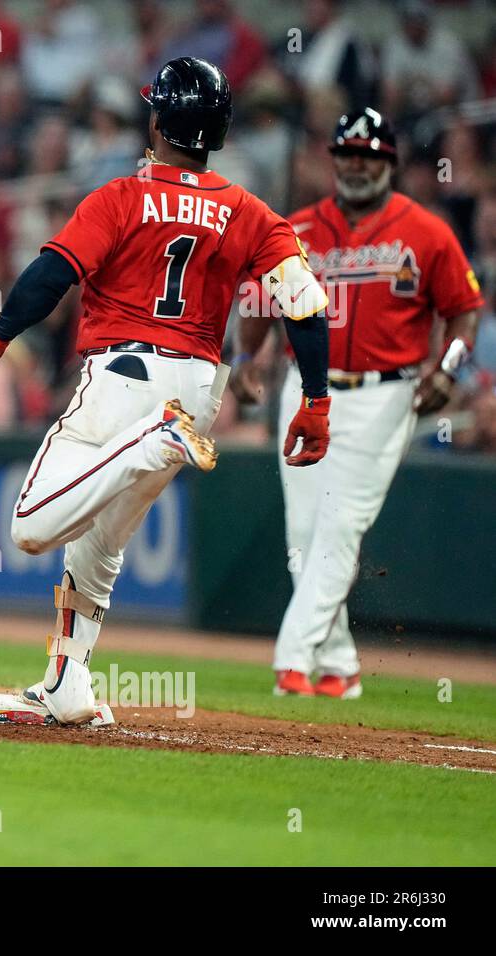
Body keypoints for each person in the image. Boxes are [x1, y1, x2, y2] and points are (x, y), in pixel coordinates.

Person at [0, 58, 333, 724]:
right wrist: (317, 400)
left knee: (29, 527)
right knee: (100, 545)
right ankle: (68, 684)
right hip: (198, 387)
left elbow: (51, 274)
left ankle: (151, 441)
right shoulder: (252, 213)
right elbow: (304, 307)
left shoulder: (122, 196)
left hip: (125, 378)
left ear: (156, 120)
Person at [232, 108, 482, 698]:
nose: (357, 164)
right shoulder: (295, 229)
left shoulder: (427, 230)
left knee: (341, 526)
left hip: (385, 392)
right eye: (347, 153)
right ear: (334, 159)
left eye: (370, 154)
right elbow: (259, 302)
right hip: (306, 388)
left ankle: (292, 661)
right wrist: (246, 362)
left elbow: (465, 309)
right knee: (304, 533)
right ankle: (341, 667)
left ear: (389, 163)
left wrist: (447, 368)